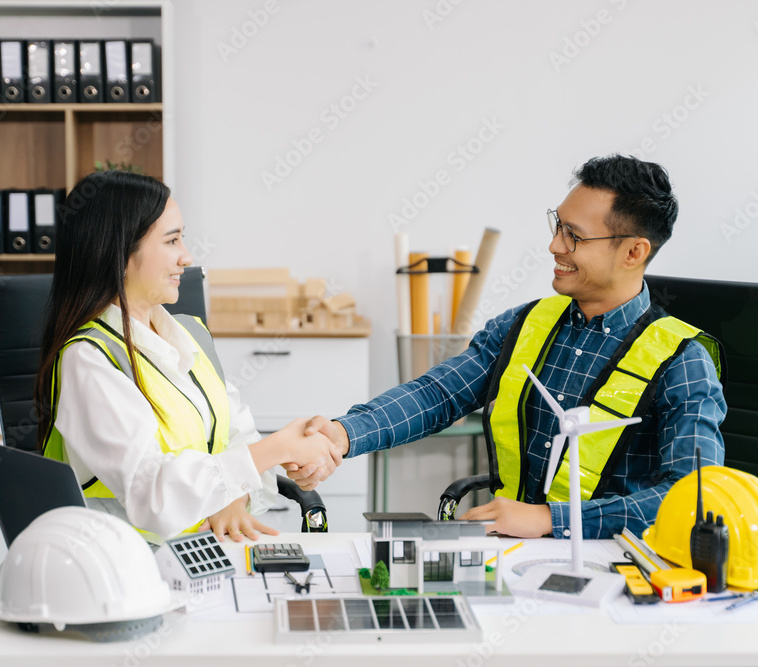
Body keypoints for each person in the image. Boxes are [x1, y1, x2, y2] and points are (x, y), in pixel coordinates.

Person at [291, 154, 726, 540]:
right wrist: (345, 433)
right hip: (509, 553)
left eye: (574, 235)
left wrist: (550, 520)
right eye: (558, 225)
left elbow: (693, 497)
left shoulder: (683, 362)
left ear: (633, 252)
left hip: (613, 568)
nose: (555, 245)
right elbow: (439, 394)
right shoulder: (526, 325)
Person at [35, 170, 340, 543]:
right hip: (125, 562)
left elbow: (236, 436)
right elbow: (151, 497)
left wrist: (234, 496)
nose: (186, 256)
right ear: (120, 253)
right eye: (172, 240)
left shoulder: (189, 334)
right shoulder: (90, 360)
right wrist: (277, 448)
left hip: (205, 548)